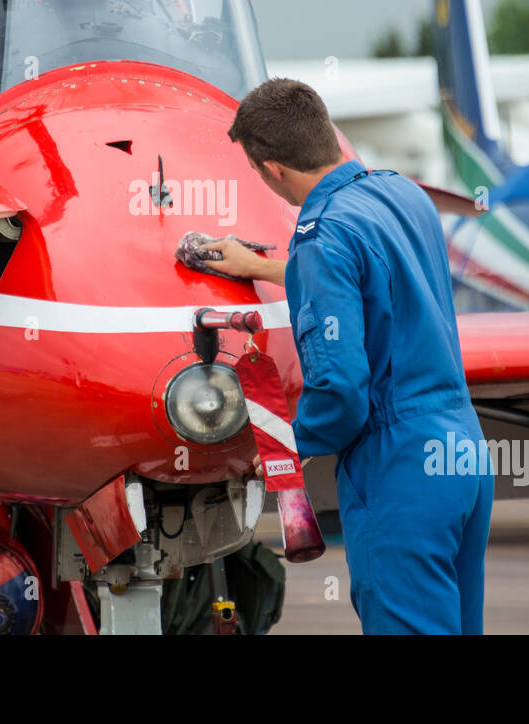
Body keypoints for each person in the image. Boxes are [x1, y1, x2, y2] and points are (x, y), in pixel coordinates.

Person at [203, 77, 494, 634]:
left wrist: (281, 450)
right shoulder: (403, 194)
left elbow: (340, 391)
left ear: (271, 170)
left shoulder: (322, 238)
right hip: (463, 451)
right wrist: (266, 266)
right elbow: (371, 272)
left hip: (400, 467)